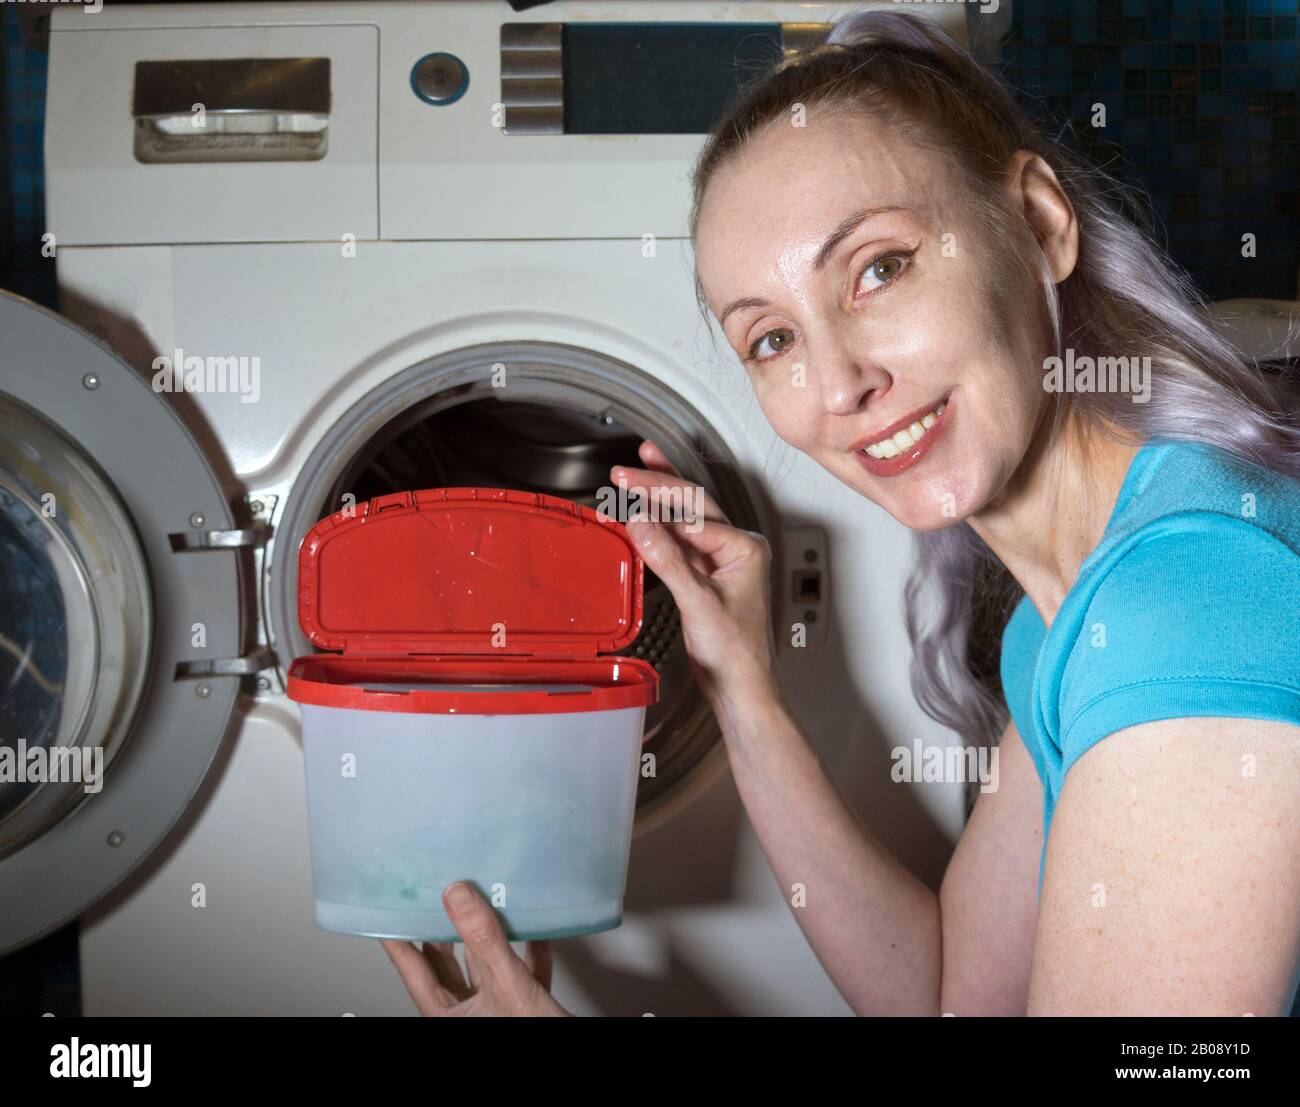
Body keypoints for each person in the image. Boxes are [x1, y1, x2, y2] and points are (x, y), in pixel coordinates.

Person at [381, 9, 1300, 1016]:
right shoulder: (1071, 610)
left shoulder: (1181, 614)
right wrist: (739, 684)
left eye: (878, 269)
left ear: (1038, 223)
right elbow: (951, 994)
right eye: (771, 340)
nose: (840, 382)